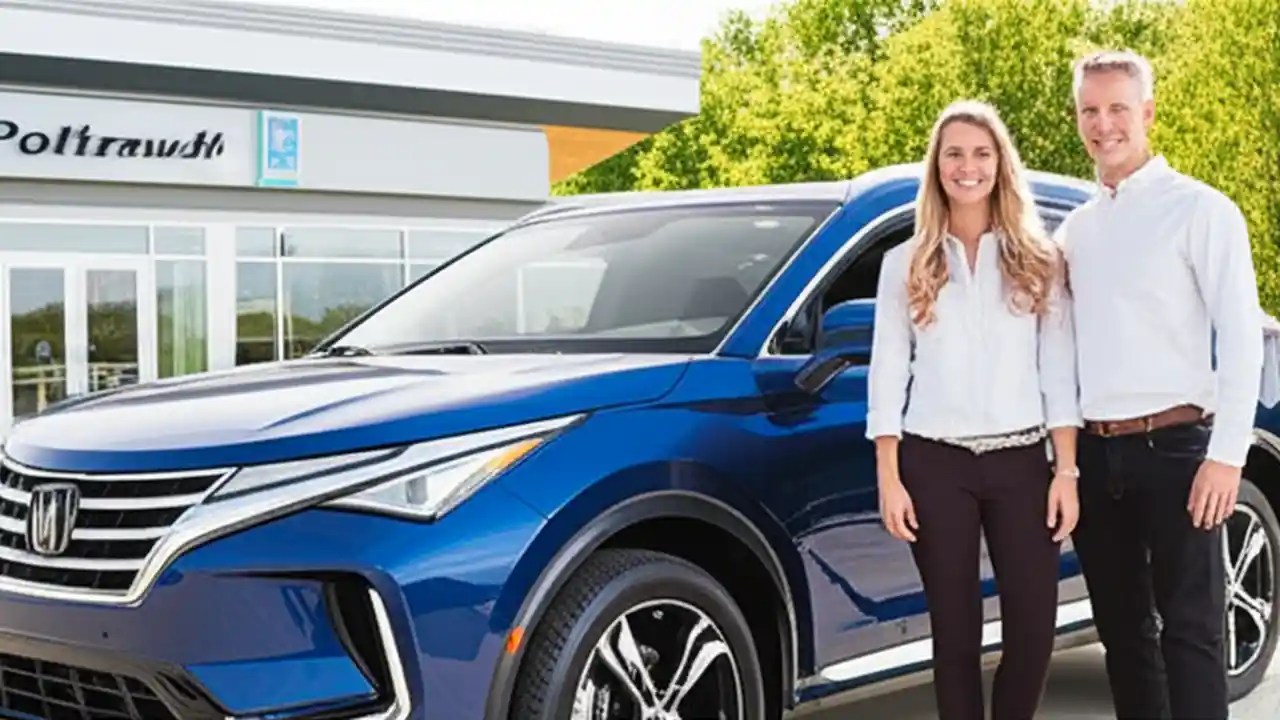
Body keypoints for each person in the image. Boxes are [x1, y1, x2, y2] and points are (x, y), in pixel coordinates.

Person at [1060, 49, 1263, 720]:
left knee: (1192, 635)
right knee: (1123, 639)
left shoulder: (1201, 211)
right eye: (1090, 110)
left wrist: (1225, 456)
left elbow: (1240, 336)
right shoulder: (1075, 232)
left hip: (1178, 450)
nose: (1104, 124)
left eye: (1118, 108)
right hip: (1097, 457)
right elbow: (1057, 350)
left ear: (1146, 113)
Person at [866, 99, 1082, 720]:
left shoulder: (1040, 260)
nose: (968, 167)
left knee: (1034, 628)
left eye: (982, 154)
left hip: (1023, 463)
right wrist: (890, 476)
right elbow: (887, 373)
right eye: (954, 154)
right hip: (934, 465)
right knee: (954, 636)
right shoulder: (901, 265)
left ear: (1000, 165)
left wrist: (1065, 470)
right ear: (937, 167)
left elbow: (1058, 370)